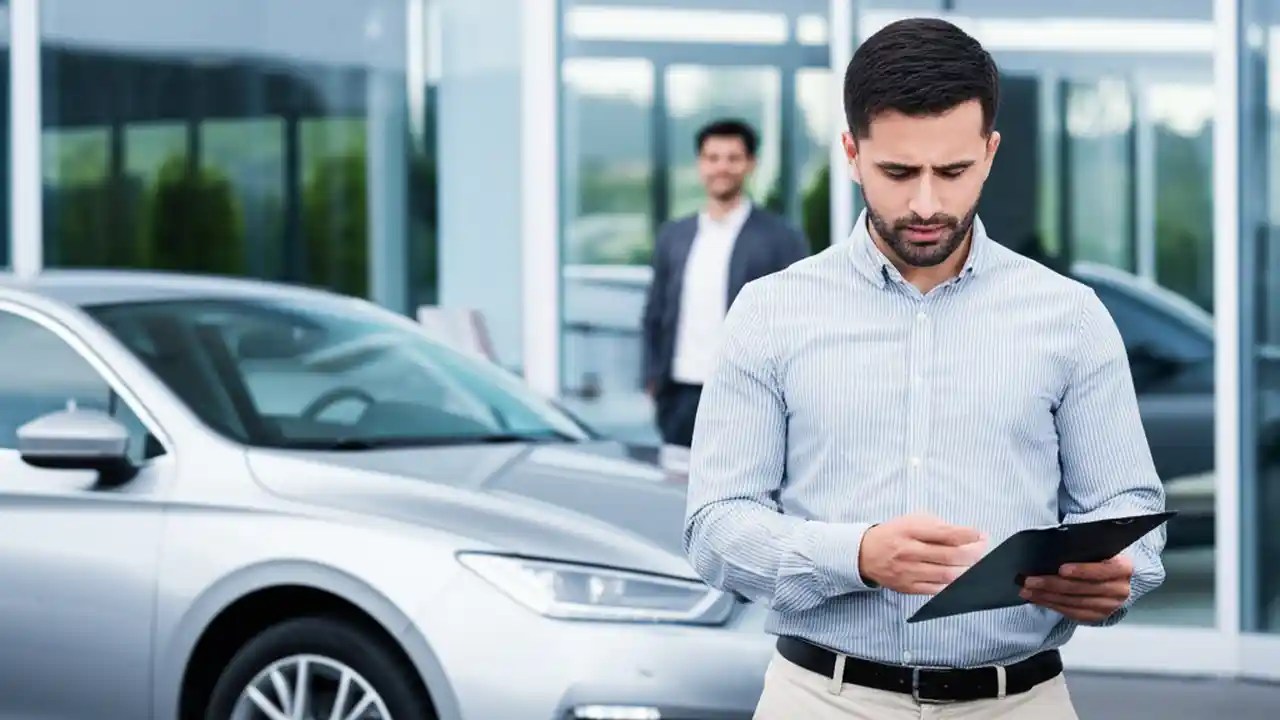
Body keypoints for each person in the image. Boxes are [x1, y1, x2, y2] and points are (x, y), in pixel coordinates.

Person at [682, 18, 1166, 719]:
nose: (928, 204)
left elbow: (1130, 509)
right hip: (823, 700)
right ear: (851, 152)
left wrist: (1118, 576)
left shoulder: (1072, 316)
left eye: (954, 170)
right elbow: (715, 527)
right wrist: (855, 555)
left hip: (1018, 702)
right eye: (899, 172)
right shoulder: (769, 312)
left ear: (991, 153)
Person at [641, 119, 808, 449]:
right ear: (700, 164)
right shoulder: (675, 236)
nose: (722, 167)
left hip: (747, 393)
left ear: (750, 164)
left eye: (733, 158)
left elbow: (798, 317)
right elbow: (655, 312)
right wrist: (652, 377)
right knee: (674, 493)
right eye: (713, 158)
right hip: (680, 393)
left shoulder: (781, 239)